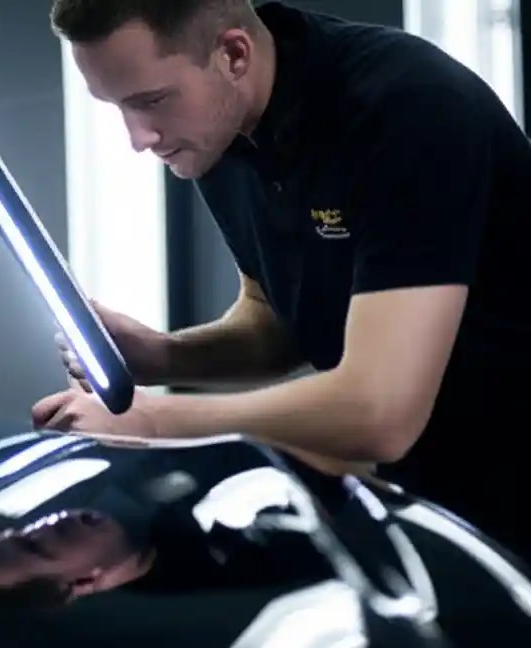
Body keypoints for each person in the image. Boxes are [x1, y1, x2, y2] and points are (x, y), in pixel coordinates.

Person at [32, 0, 531, 557]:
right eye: (117, 106)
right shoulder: (220, 132)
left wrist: (152, 419)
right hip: (441, 505)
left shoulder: (406, 107)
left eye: (152, 100)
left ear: (234, 54)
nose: (139, 137)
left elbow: (380, 411)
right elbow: (278, 320)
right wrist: (164, 355)